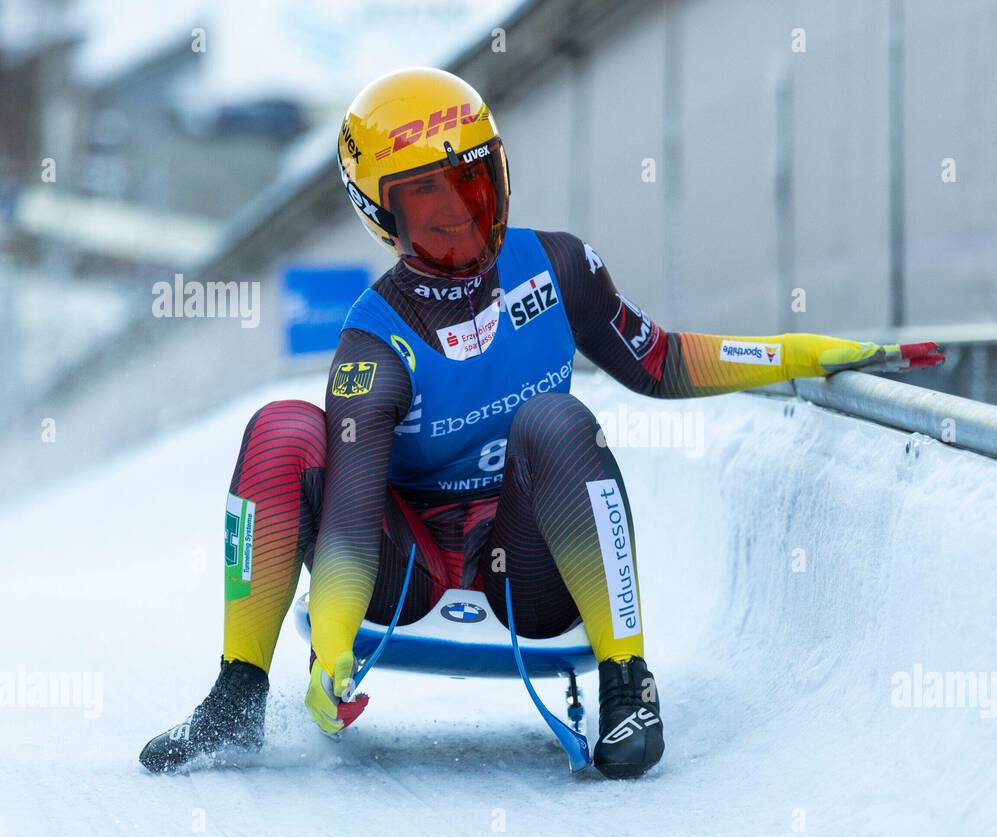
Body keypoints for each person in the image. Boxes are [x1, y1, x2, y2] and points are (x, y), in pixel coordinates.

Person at [140, 67, 943, 779]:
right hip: (406, 572)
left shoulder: (559, 267)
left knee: (555, 418)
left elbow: (658, 360)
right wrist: (335, 648)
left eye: (471, 189)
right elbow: (350, 513)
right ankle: (238, 690)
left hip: (522, 556)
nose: (457, 220)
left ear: (501, 176)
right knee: (284, 427)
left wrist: (801, 353)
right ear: (384, 219)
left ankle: (629, 684)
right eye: (427, 203)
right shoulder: (370, 340)